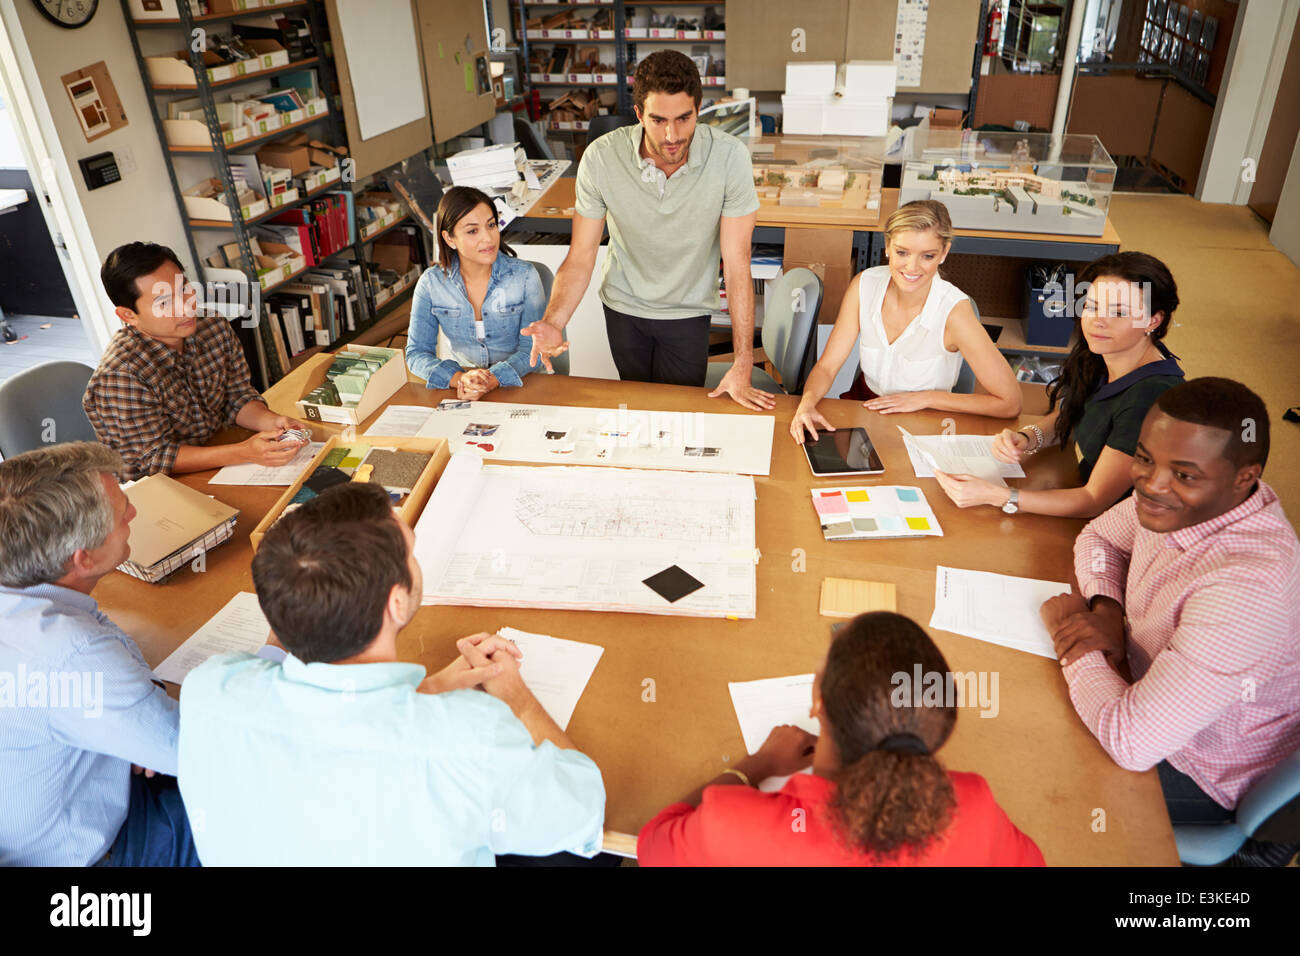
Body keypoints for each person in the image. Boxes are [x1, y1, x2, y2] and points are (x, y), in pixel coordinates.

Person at [178, 481, 606, 866]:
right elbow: (582, 810)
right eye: (412, 555)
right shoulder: (469, 738)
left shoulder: (210, 688)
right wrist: (517, 698)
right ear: (397, 604)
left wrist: (425, 690)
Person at [1042, 379, 1299, 863]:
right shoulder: (1185, 503)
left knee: (1029, 765)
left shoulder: (1247, 588)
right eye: (1144, 458)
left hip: (1202, 768)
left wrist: (1074, 640)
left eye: (1184, 474)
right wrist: (1106, 613)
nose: (1152, 485)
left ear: (1246, 478)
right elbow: (1098, 537)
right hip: (1145, 690)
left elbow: (1132, 742)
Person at [637, 611, 1044, 866]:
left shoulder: (737, 822)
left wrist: (757, 765)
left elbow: (654, 841)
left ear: (817, 700)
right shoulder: (974, 807)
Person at [521, 50, 774, 411]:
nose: (672, 135)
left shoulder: (729, 157)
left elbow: (737, 263)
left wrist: (742, 361)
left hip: (688, 310)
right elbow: (581, 255)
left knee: (678, 412)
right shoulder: (601, 157)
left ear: (698, 109)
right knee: (639, 409)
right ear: (639, 114)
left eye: (684, 118)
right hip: (624, 308)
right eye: (658, 120)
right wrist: (554, 321)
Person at [0, 442, 197, 866]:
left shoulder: (30, 606)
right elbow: (197, 752)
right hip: (96, 856)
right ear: (83, 558)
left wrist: (131, 724)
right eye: (120, 508)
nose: (132, 513)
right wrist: (278, 642)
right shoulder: (69, 651)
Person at [932, 251, 1184, 519]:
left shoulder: (1149, 396)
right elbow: (1071, 414)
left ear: (1153, 321)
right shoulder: (1109, 351)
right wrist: (1027, 438)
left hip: (1118, 527)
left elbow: (1093, 500)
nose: (1098, 320)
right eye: (1092, 306)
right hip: (1078, 492)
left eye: (1119, 312)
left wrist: (998, 496)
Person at [790, 200, 1021, 443]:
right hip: (865, 407)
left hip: (926, 422)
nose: (912, 267)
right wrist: (807, 403)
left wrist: (926, 398)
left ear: (944, 253)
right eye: (902, 252)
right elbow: (827, 366)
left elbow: (1010, 402)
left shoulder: (955, 313)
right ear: (888, 246)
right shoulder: (864, 285)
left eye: (927, 256)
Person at [83, 241, 309, 480]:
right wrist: (244, 452)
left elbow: (236, 396)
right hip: (159, 486)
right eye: (164, 303)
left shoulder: (212, 325)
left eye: (185, 290)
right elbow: (155, 458)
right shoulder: (121, 374)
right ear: (129, 315)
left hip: (220, 456)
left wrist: (272, 421)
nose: (186, 308)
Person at [406, 186, 546, 402]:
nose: (488, 238)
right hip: (465, 387)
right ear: (449, 238)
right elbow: (416, 353)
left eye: (491, 225)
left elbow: (534, 350)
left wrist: (493, 378)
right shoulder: (431, 283)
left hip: (520, 384)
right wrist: (459, 379)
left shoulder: (524, 276)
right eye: (473, 231)